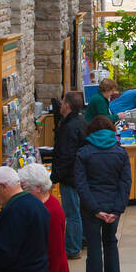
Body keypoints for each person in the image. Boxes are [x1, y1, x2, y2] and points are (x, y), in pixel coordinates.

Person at [73, 115, 131, 272]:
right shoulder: (121, 153)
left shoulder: (83, 153)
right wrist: (116, 209)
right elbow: (125, 183)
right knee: (110, 243)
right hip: (113, 206)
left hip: (92, 209)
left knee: (94, 248)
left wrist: (95, 209)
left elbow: (81, 186)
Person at [50, 90, 88, 260]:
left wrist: (54, 177)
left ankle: (72, 248)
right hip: (80, 175)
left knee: (72, 213)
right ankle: (82, 239)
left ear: (67, 105)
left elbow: (65, 155)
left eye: (63, 100)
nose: (61, 103)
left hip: (70, 177)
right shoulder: (81, 122)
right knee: (78, 211)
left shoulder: (69, 127)